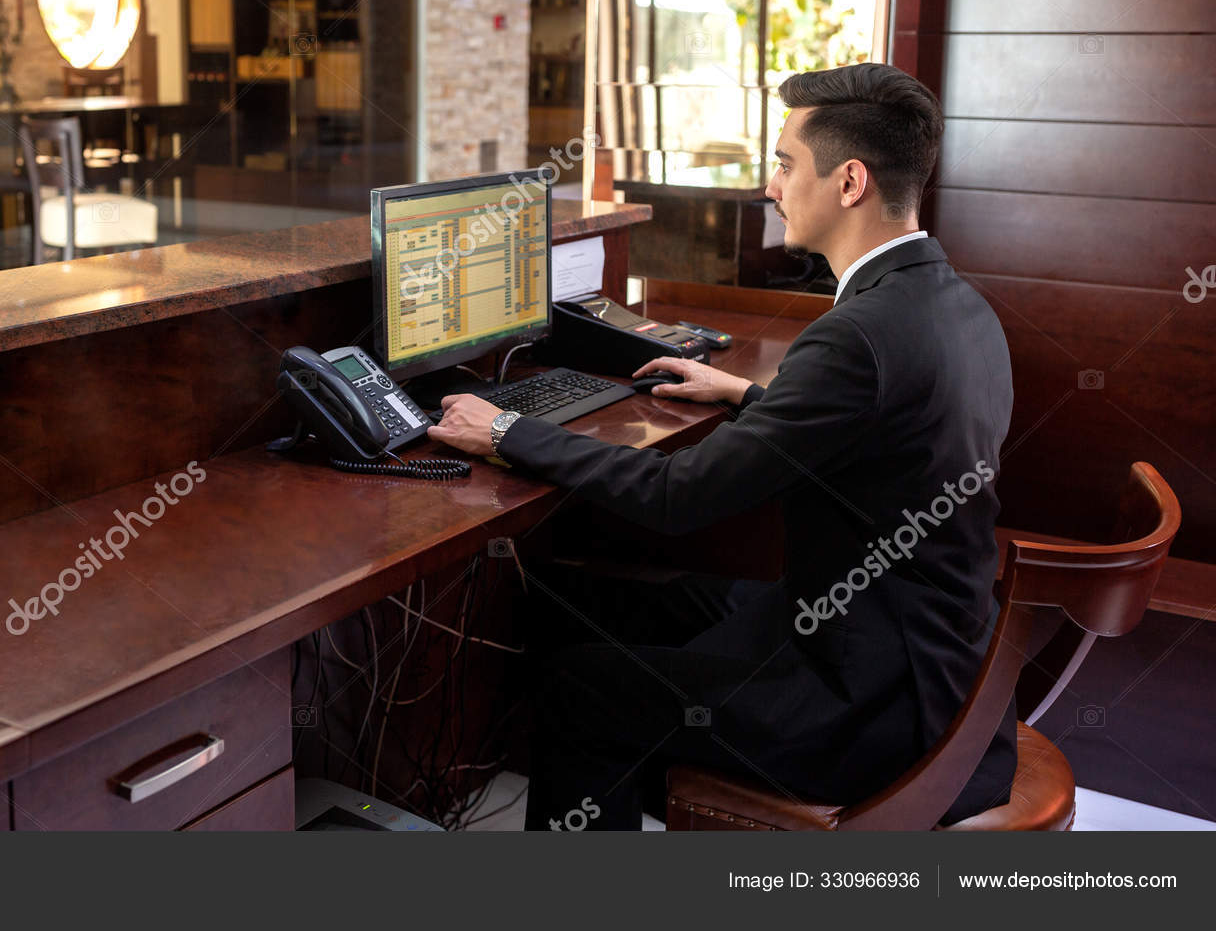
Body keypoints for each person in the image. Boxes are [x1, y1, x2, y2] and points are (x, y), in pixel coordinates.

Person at [428, 63, 1016, 830]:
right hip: (917, 654)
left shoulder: (857, 335)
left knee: (582, 685)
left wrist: (505, 428)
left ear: (849, 182)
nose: (771, 187)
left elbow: (677, 496)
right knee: (588, 595)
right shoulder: (956, 305)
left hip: (869, 701)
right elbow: (886, 437)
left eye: (783, 164)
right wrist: (744, 393)